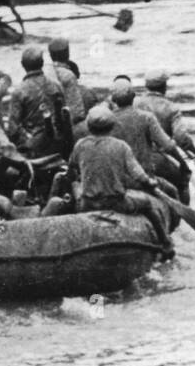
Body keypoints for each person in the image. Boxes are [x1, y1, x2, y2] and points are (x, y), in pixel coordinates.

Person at [41, 108, 175, 256]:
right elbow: (138, 175)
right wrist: (150, 183)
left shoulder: (80, 144)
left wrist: (76, 181)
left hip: (87, 204)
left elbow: (72, 170)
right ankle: (165, 242)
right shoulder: (121, 146)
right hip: (116, 203)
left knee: (75, 186)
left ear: (89, 127)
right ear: (112, 126)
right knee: (148, 205)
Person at [105, 79, 190, 201]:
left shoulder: (108, 119)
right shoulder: (146, 117)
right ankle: (181, 220)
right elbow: (168, 146)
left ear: (113, 100)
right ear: (133, 96)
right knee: (173, 191)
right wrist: (182, 163)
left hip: (116, 180)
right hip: (143, 178)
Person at [8, 45, 64, 156]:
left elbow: (13, 129)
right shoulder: (56, 85)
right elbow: (64, 116)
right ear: (42, 63)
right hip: (58, 142)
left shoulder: (19, 91)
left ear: (22, 65)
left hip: (33, 145)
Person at [136, 70, 195, 159]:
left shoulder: (135, 103)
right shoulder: (171, 108)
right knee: (185, 172)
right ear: (164, 86)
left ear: (146, 86)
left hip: (137, 154)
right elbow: (181, 137)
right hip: (161, 156)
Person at [46, 37, 89, 136]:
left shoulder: (46, 72)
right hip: (67, 127)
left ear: (50, 55)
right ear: (67, 53)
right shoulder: (68, 75)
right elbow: (77, 111)